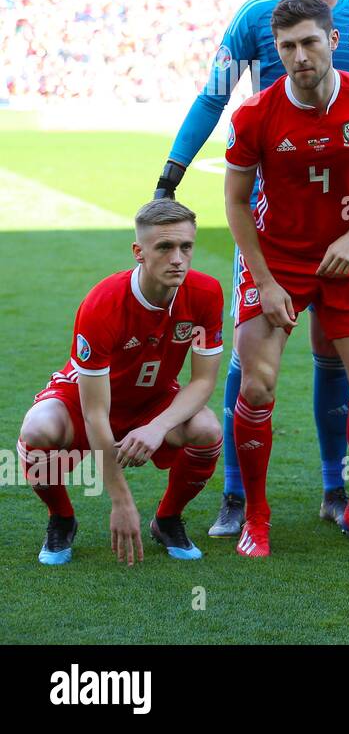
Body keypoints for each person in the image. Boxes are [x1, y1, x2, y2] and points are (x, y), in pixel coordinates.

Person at [152, 0, 349, 537]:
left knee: (338, 361)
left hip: (339, 226)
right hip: (270, 222)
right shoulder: (256, 18)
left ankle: (338, 492)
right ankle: (237, 496)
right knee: (251, 365)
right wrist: (170, 177)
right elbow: (214, 97)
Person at [224, 0, 349, 555]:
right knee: (257, 384)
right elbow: (234, 202)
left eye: (309, 42)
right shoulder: (255, 114)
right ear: (277, 52)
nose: (299, 55)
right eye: (287, 47)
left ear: (332, 41)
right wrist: (265, 281)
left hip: (344, 257)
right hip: (277, 259)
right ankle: (256, 516)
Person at [17, 200, 224, 565]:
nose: (178, 258)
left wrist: (157, 428)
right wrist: (121, 501)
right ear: (139, 252)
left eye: (186, 247)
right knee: (38, 429)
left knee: (207, 429)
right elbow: (95, 412)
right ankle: (61, 519)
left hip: (153, 401)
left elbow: (203, 381)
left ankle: (167, 519)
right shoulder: (103, 304)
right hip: (85, 401)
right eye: (164, 247)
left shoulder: (206, 293)